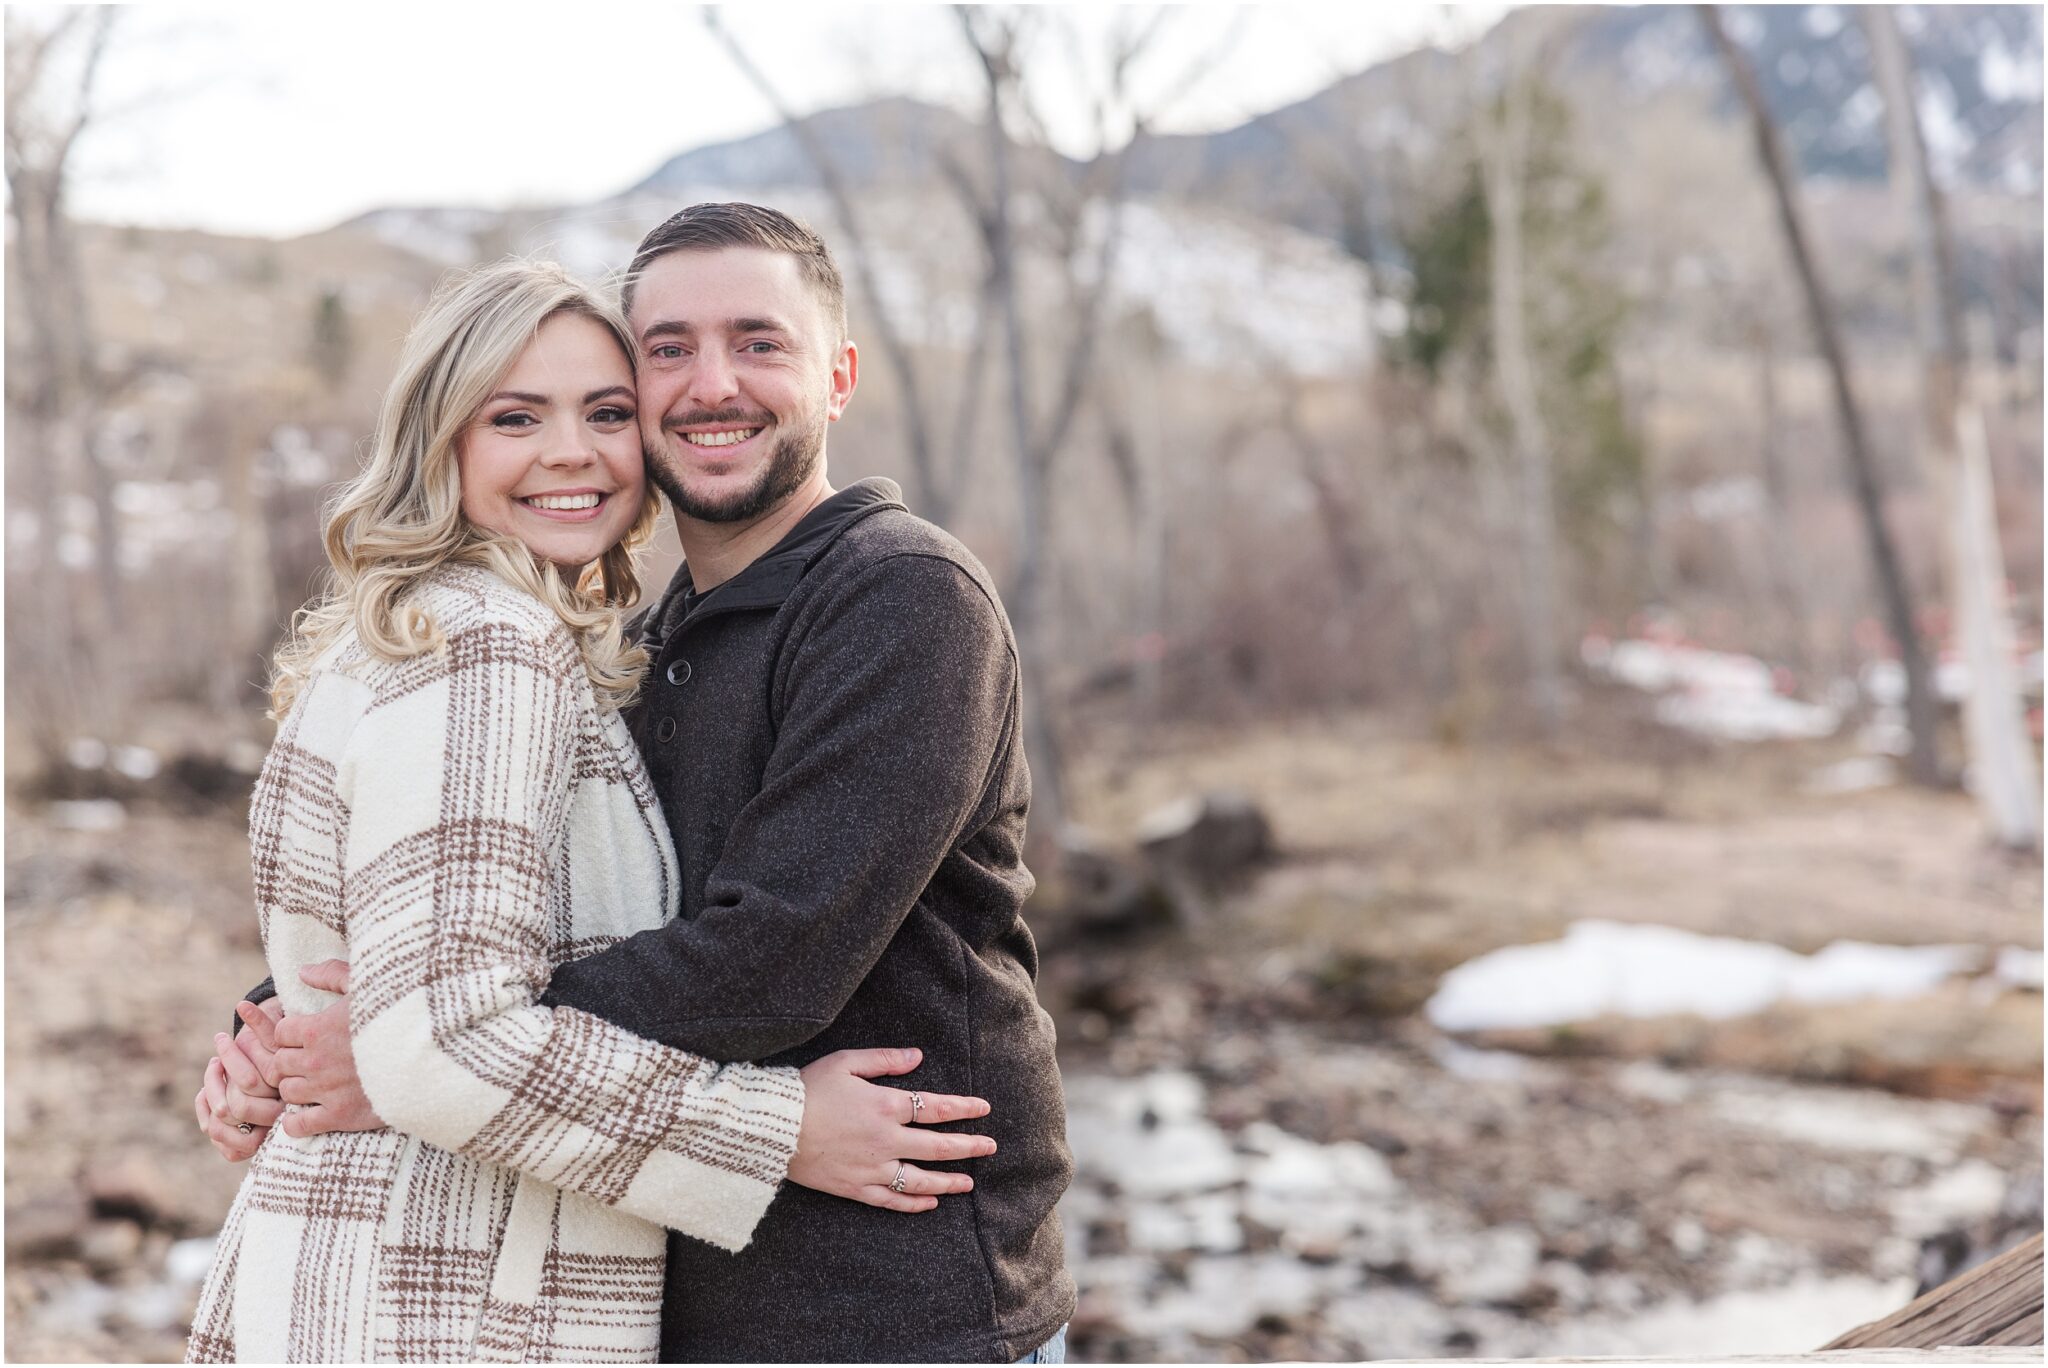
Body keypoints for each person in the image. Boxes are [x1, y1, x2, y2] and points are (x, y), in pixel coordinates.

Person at [204, 204, 1076, 1363]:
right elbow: (462, 878)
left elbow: (767, 963)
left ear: (838, 377)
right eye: (666, 349)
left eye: (759, 342)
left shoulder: (900, 599)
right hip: (669, 1283)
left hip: (891, 1298)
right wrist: (273, 1025)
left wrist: (408, 1053)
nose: (712, 382)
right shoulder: (625, 638)